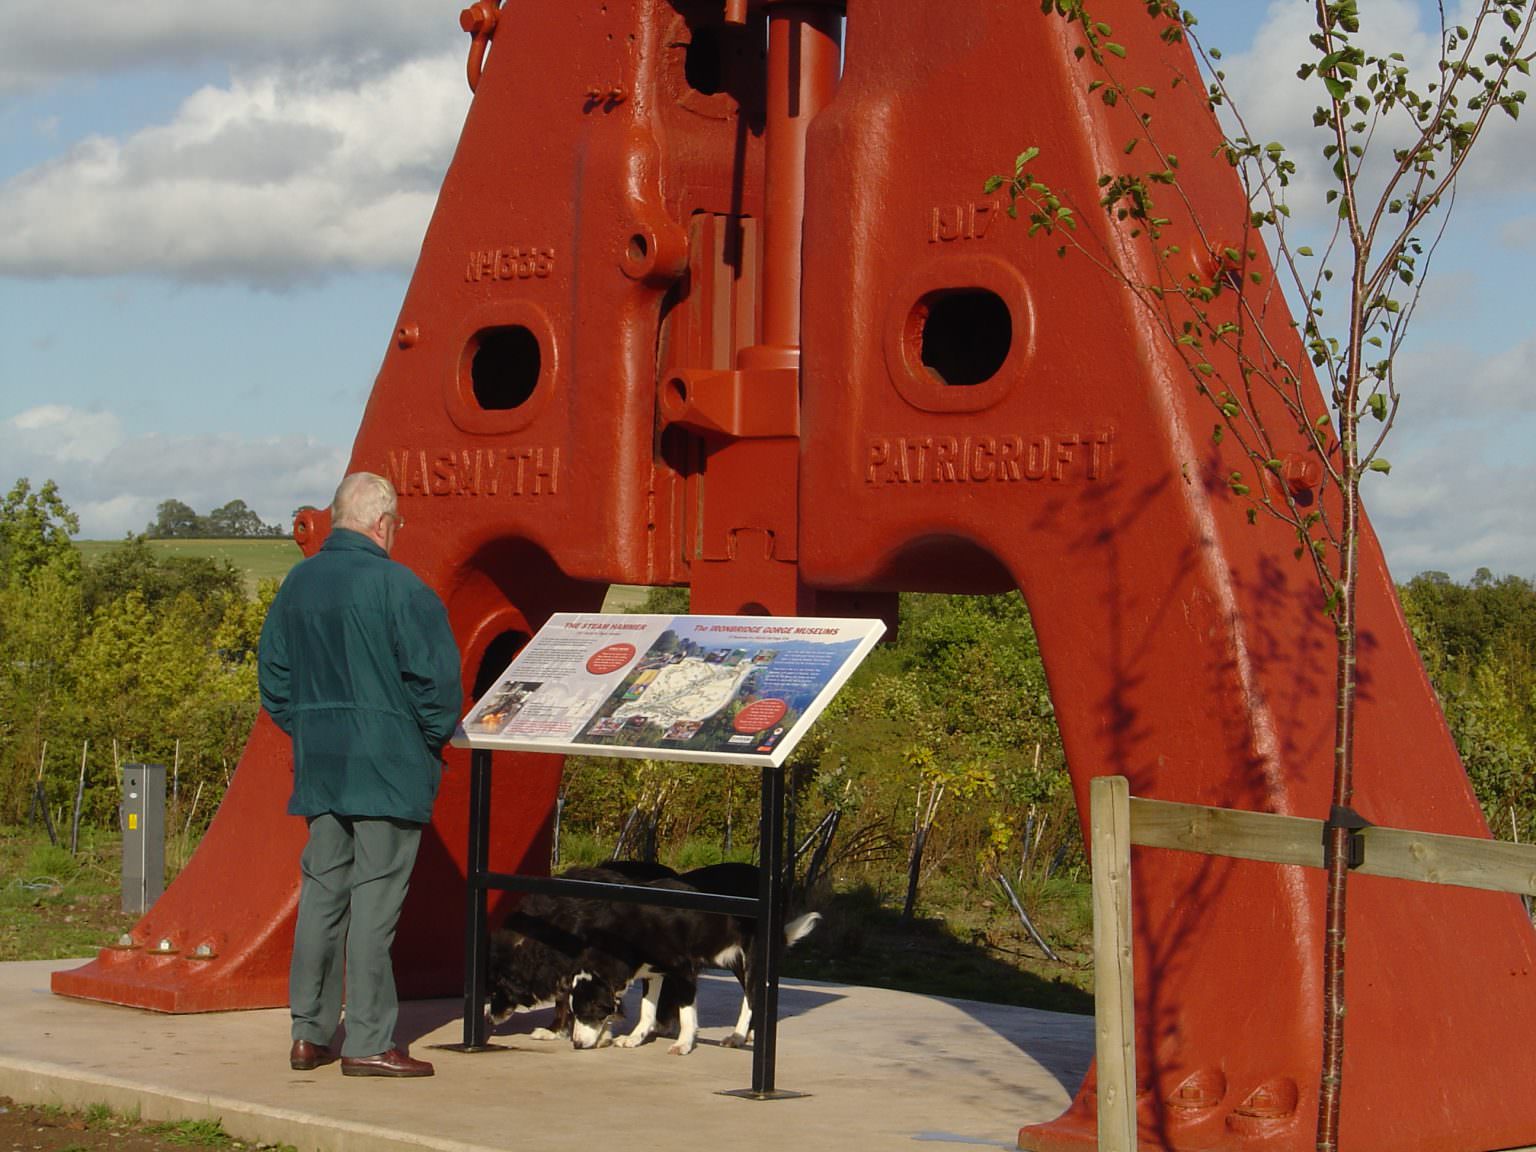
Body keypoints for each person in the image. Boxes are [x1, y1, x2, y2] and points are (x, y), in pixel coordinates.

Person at [258, 472, 462, 1078]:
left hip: (322, 768)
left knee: (322, 895)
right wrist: (419, 743)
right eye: (395, 524)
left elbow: (275, 680)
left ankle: (308, 1034)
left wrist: (314, 728)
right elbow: (438, 692)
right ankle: (370, 1040)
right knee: (376, 904)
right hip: (389, 769)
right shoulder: (403, 589)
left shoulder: (298, 584)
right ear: (382, 523)